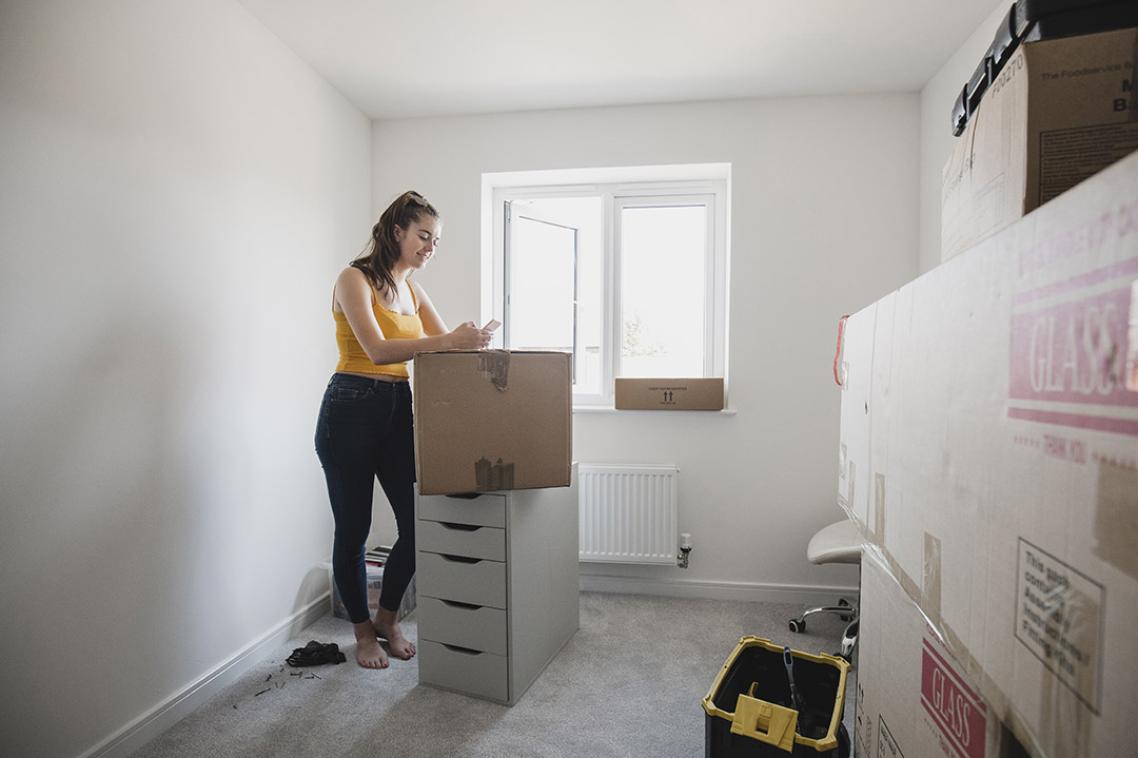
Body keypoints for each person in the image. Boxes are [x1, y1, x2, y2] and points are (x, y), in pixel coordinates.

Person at [315, 191, 492, 669]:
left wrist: (473, 340)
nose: (430, 247)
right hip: (349, 407)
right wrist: (448, 339)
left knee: (417, 524)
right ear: (397, 231)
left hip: (397, 409)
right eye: (424, 236)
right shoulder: (354, 279)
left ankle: (387, 618)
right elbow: (375, 349)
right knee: (352, 530)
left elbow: (444, 348)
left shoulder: (414, 291)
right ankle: (362, 633)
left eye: (436, 240)